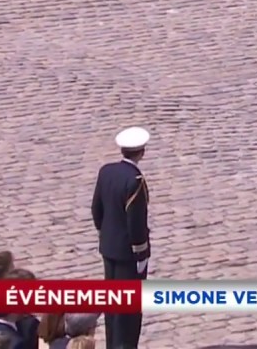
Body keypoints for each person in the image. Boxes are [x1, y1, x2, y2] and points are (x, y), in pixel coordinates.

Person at [91, 127, 150, 349]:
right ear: (141, 152)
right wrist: (141, 254)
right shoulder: (135, 180)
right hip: (128, 254)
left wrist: (105, 234)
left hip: (109, 248)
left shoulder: (106, 171)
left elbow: (96, 209)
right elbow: (136, 222)